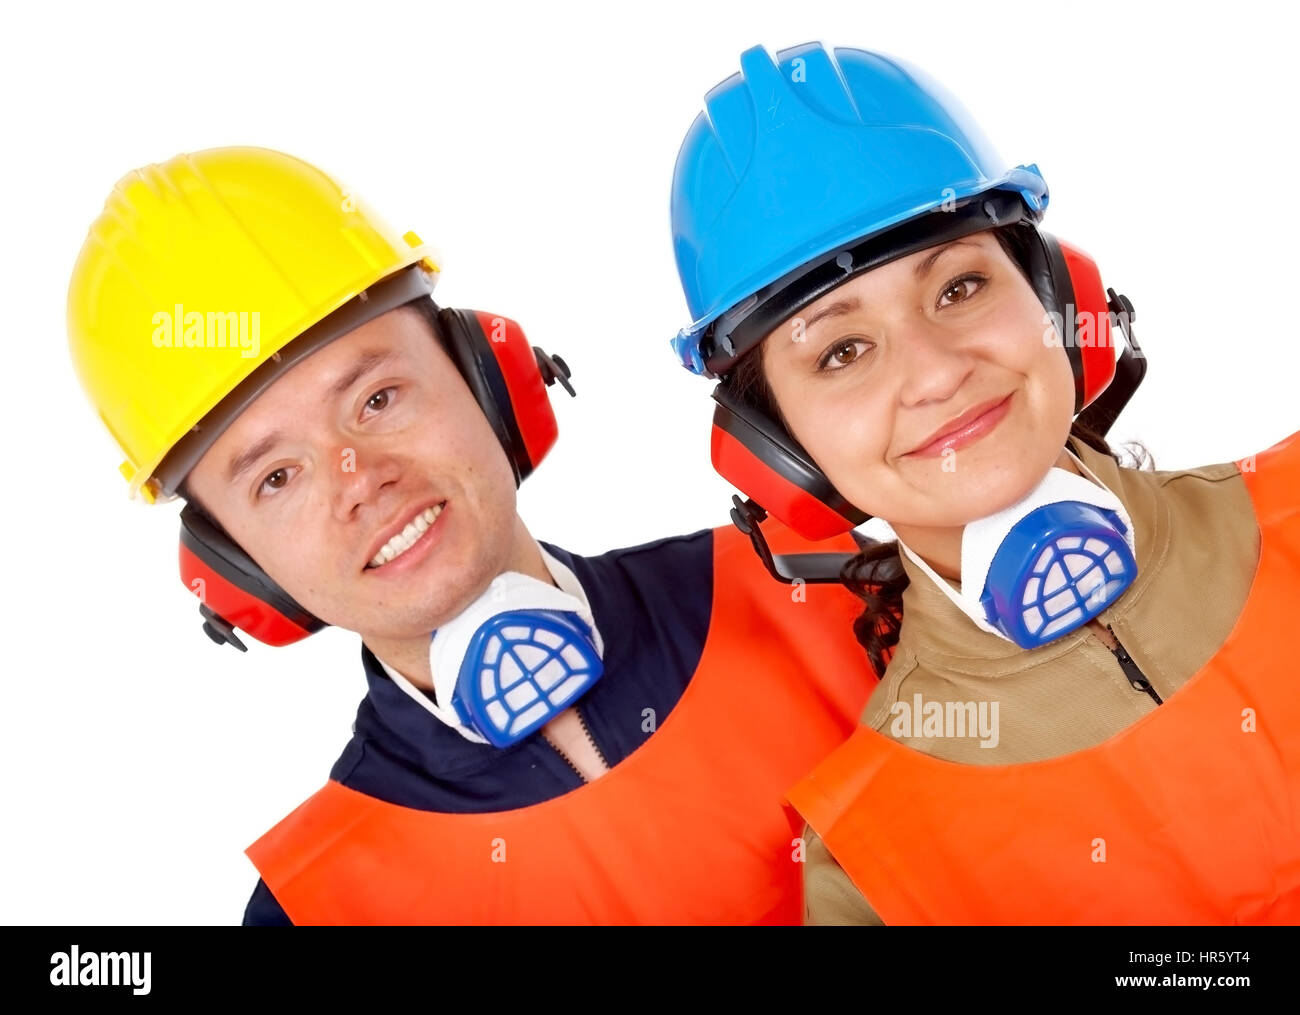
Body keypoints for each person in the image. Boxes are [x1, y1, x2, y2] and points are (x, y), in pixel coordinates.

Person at [66, 145, 879, 925]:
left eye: (378, 398)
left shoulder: (835, 589)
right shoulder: (313, 910)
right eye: (276, 476)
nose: (360, 478)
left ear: (489, 379)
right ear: (239, 569)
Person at [666, 42, 1300, 924]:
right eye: (842, 350)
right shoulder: (869, 861)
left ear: (1057, 299)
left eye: (960, 286)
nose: (935, 372)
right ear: (779, 454)